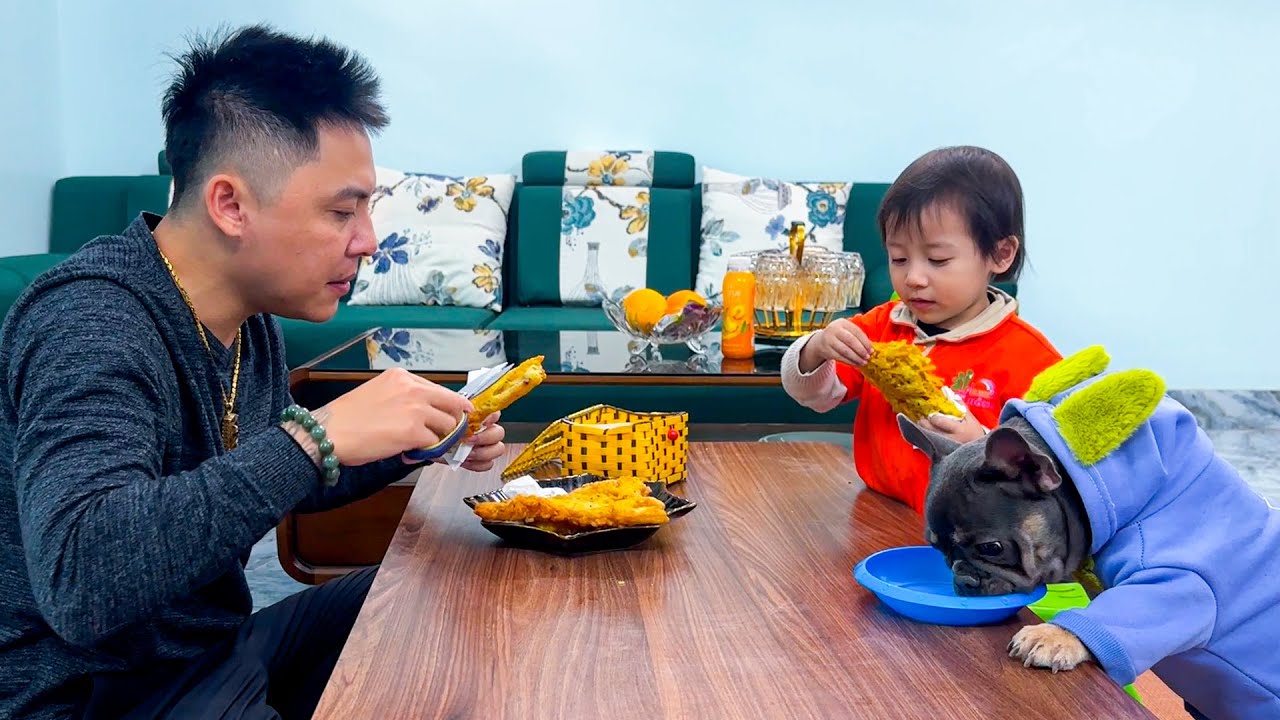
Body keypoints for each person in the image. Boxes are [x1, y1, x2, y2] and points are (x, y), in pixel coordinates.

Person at [0, 25, 507, 719]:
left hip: (211, 651)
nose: (367, 241)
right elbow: (82, 579)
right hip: (92, 694)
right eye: (342, 211)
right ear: (231, 205)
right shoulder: (90, 322)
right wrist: (313, 440)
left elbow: (261, 479)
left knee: (451, 589)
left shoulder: (248, 320)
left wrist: (413, 438)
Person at [781, 145, 1061, 514]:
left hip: (970, 527)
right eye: (899, 258)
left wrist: (980, 444)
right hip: (876, 509)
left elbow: (1050, 473)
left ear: (1000, 253)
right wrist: (817, 348)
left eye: (937, 259)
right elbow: (818, 396)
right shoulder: (883, 326)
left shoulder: (1031, 357)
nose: (913, 277)